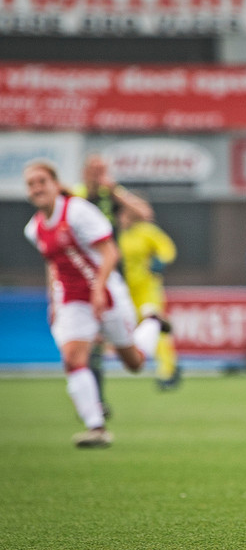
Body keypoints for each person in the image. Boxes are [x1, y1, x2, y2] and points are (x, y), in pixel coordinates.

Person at [23, 159, 163, 448]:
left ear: (54, 184)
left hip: (107, 292)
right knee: (73, 357)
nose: (37, 188)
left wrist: (98, 289)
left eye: (42, 182)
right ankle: (96, 427)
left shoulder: (76, 211)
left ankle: (153, 322)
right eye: (31, 184)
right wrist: (53, 301)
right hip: (73, 299)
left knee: (133, 362)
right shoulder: (34, 229)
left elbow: (110, 253)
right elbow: (53, 265)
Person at [71, 154, 155, 417]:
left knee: (127, 354)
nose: (98, 175)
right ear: (85, 172)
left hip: (113, 279)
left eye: (103, 170)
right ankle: (96, 404)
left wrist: (115, 190)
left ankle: (152, 322)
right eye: (94, 170)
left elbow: (144, 214)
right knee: (89, 342)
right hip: (83, 276)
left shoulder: (112, 197)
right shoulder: (77, 198)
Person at [117, 202, 180, 390]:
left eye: (124, 214)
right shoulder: (117, 235)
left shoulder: (146, 231)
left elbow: (167, 248)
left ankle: (167, 371)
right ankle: (136, 362)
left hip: (147, 288)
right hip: (126, 291)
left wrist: (160, 260)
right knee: (131, 330)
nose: (121, 218)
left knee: (154, 325)